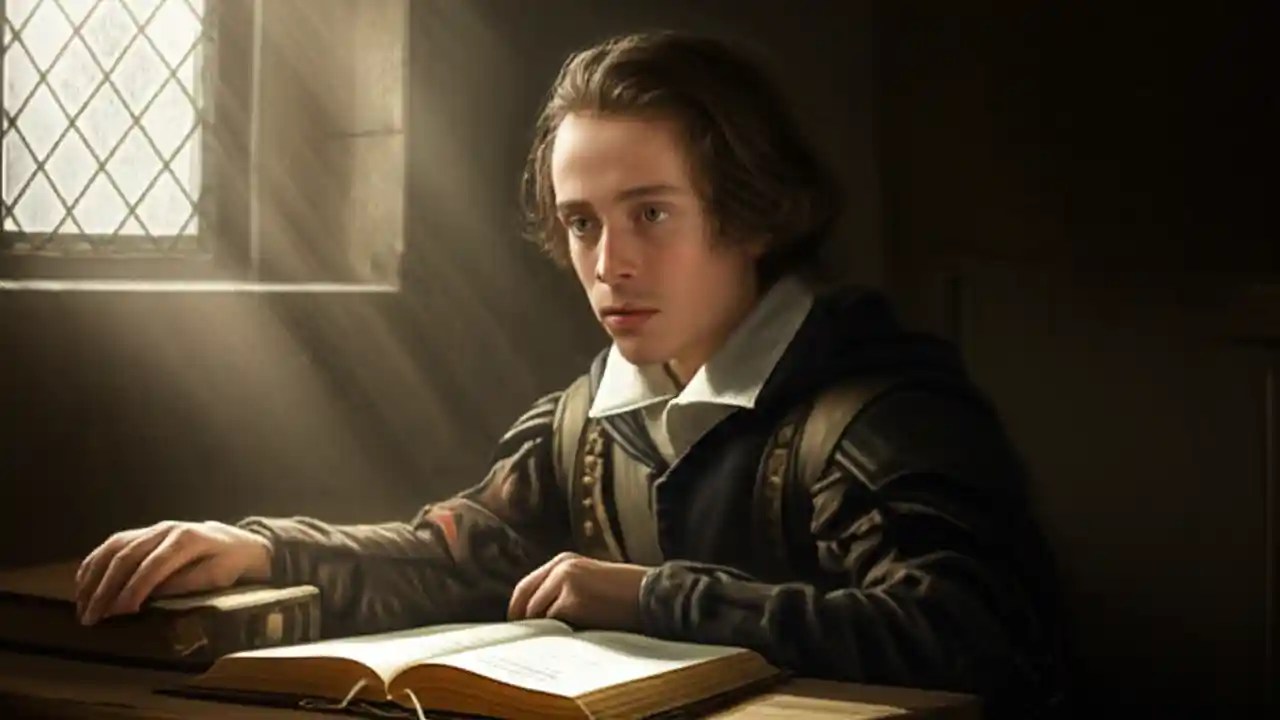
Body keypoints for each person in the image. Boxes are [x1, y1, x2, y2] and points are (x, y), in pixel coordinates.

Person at [75, 31, 1066, 717]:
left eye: (651, 213)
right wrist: (260, 550)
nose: (607, 262)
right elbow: (460, 552)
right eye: (582, 221)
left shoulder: (875, 415)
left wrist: (653, 597)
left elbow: (966, 637)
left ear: (756, 213)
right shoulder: (587, 419)